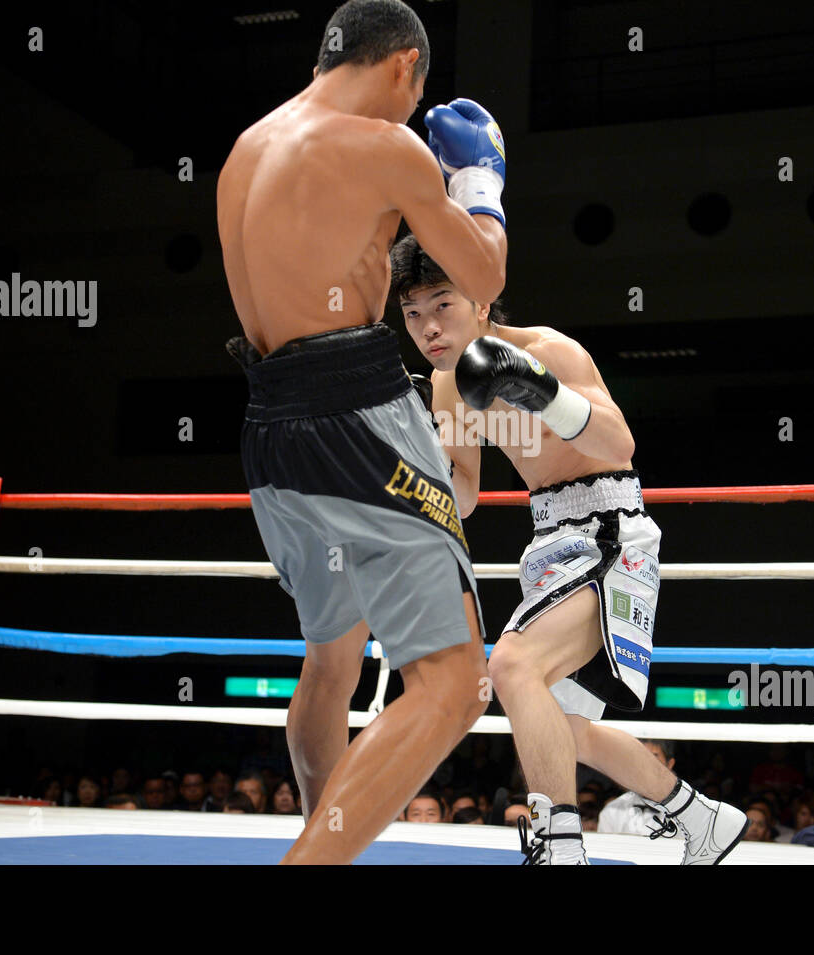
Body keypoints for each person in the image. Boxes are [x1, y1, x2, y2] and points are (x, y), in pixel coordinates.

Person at [216, 0, 508, 866]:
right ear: (404, 65)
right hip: (357, 411)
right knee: (454, 685)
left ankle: (321, 837)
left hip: (269, 423)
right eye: (413, 98)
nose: (412, 117)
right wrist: (479, 183)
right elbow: (484, 276)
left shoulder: (244, 150)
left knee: (332, 654)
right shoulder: (385, 145)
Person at [393, 236, 747, 865]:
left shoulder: (549, 350)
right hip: (550, 539)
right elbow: (465, 495)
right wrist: (412, 444)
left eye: (441, 305)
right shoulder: (449, 386)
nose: (428, 328)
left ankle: (558, 844)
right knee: (568, 730)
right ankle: (705, 819)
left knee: (509, 666)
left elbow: (619, 446)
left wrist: (540, 391)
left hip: (610, 528)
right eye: (412, 312)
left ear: (480, 299)